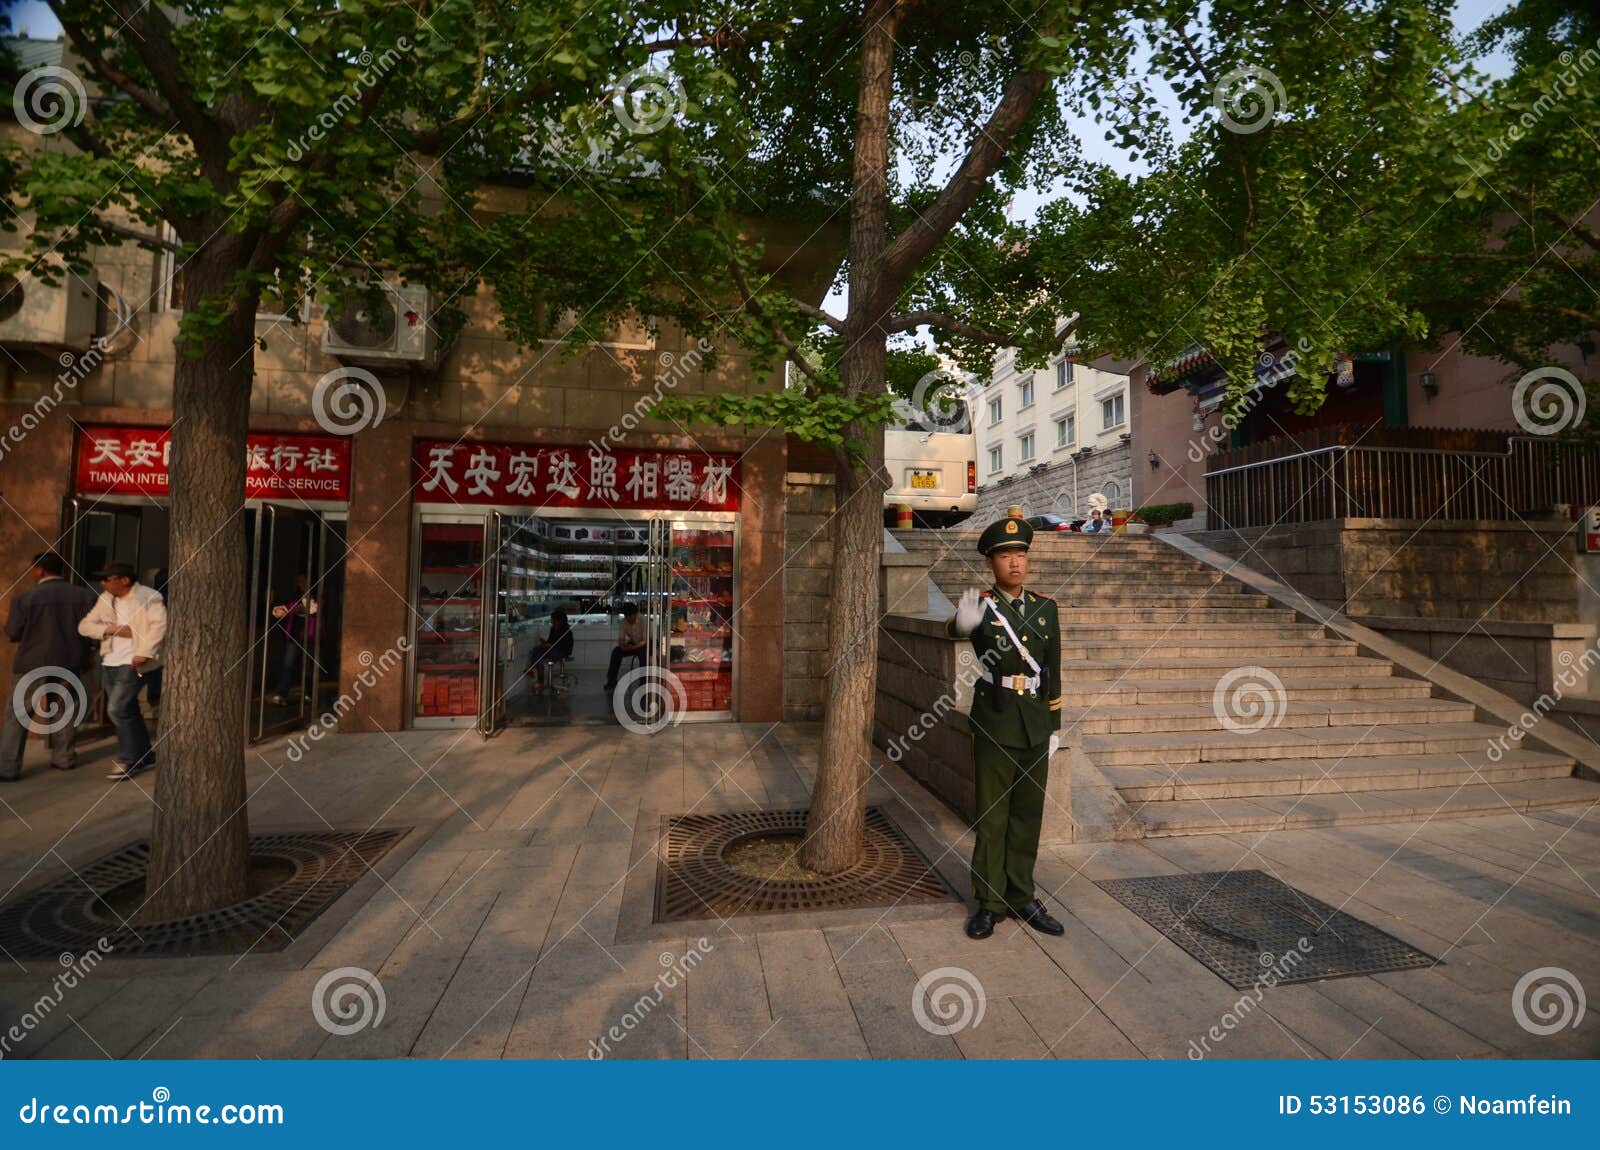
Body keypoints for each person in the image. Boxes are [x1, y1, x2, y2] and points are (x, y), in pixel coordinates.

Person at [945, 506, 1066, 940]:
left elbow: (1052, 669)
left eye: (1021, 554)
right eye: (1005, 555)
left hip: (1034, 721)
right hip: (995, 719)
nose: (1015, 562)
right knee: (993, 816)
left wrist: (1054, 725)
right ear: (990, 562)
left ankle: (1022, 896)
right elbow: (954, 630)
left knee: (1028, 815)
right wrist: (962, 622)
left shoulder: (1046, 608)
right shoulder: (983, 607)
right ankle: (989, 902)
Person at [1, 552, 98, 781]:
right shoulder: (84, 596)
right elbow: (92, 632)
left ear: (40, 570)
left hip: (31, 662)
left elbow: (13, 632)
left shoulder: (24, 598)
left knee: (18, 713)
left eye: (33, 569)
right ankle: (64, 758)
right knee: (65, 709)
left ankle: (8, 768)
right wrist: (87, 654)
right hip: (69, 661)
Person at [79, 562, 166, 781]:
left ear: (124, 580)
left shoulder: (148, 596)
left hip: (134, 662)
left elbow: (159, 626)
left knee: (116, 709)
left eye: (107, 579)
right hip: (110, 661)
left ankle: (128, 759)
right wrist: (112, 629)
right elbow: (84, 626)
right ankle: (146, 755)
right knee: (128, 709)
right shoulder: (106, 599)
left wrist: (144, 653)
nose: (103, 583)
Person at [267, 573, 318, 705]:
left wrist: (297, 609)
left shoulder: (316, 596)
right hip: (294, 636)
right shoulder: (295, 597)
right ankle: (281, 693)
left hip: (310, 637)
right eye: (299, 581)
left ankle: (308, 693)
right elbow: (288, 608)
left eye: (303, 580)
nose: (301, 583)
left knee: (308, 667)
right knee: (288, 665)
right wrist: (280, 611)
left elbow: (312, 609)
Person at [526, 608, 574, 692]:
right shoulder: (553, 629)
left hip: (562, 652)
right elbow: (550, 641)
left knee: (540, 654)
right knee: (537, 650)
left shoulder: (565, 630)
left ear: (558, 620)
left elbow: (562, 646)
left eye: (552, 619)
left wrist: (548, 645)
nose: (551, 621)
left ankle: (536, 673)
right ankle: (535, 672)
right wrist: (545, 643)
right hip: (552, 649)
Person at [603, 602, 647, 692]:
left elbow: (645, 640)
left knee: (643, 653)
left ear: (636, 614)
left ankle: (643, 681)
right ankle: (611, 680)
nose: (629, 619)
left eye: (631, 616)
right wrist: (622, 644)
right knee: (616, 651)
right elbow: (621, 638)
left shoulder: (643, 620)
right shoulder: (623, 622)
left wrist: (631, 647)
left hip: (646, 645)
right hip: (634, 644)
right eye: (627, 616)